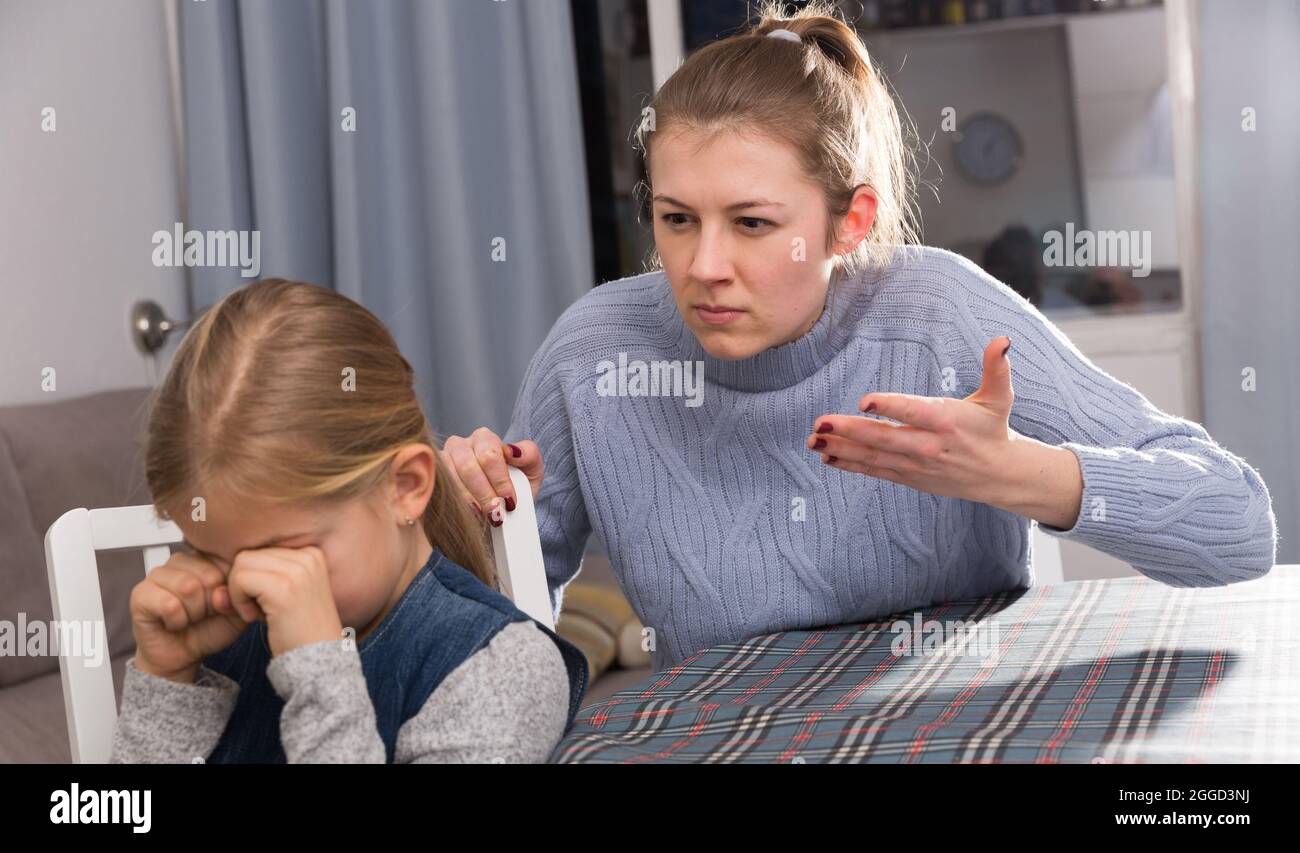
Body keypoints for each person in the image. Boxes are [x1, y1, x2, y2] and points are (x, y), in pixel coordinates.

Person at [442, 2, 1276, 673]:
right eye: (675, 219)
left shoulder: (940, 315)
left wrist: (1028, 475)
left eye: (754, 223)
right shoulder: (595, 355)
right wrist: (461, 524)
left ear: (851, 222)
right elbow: (502, 636)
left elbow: (1238, 527)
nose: (704, 265)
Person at [111, 278, 587, 763]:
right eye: (210, 556)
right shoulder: (224, 646)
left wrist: (318, 674)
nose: (244, 588)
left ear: (405, 488)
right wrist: (165, 679)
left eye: (283, 552)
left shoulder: (503, 671)